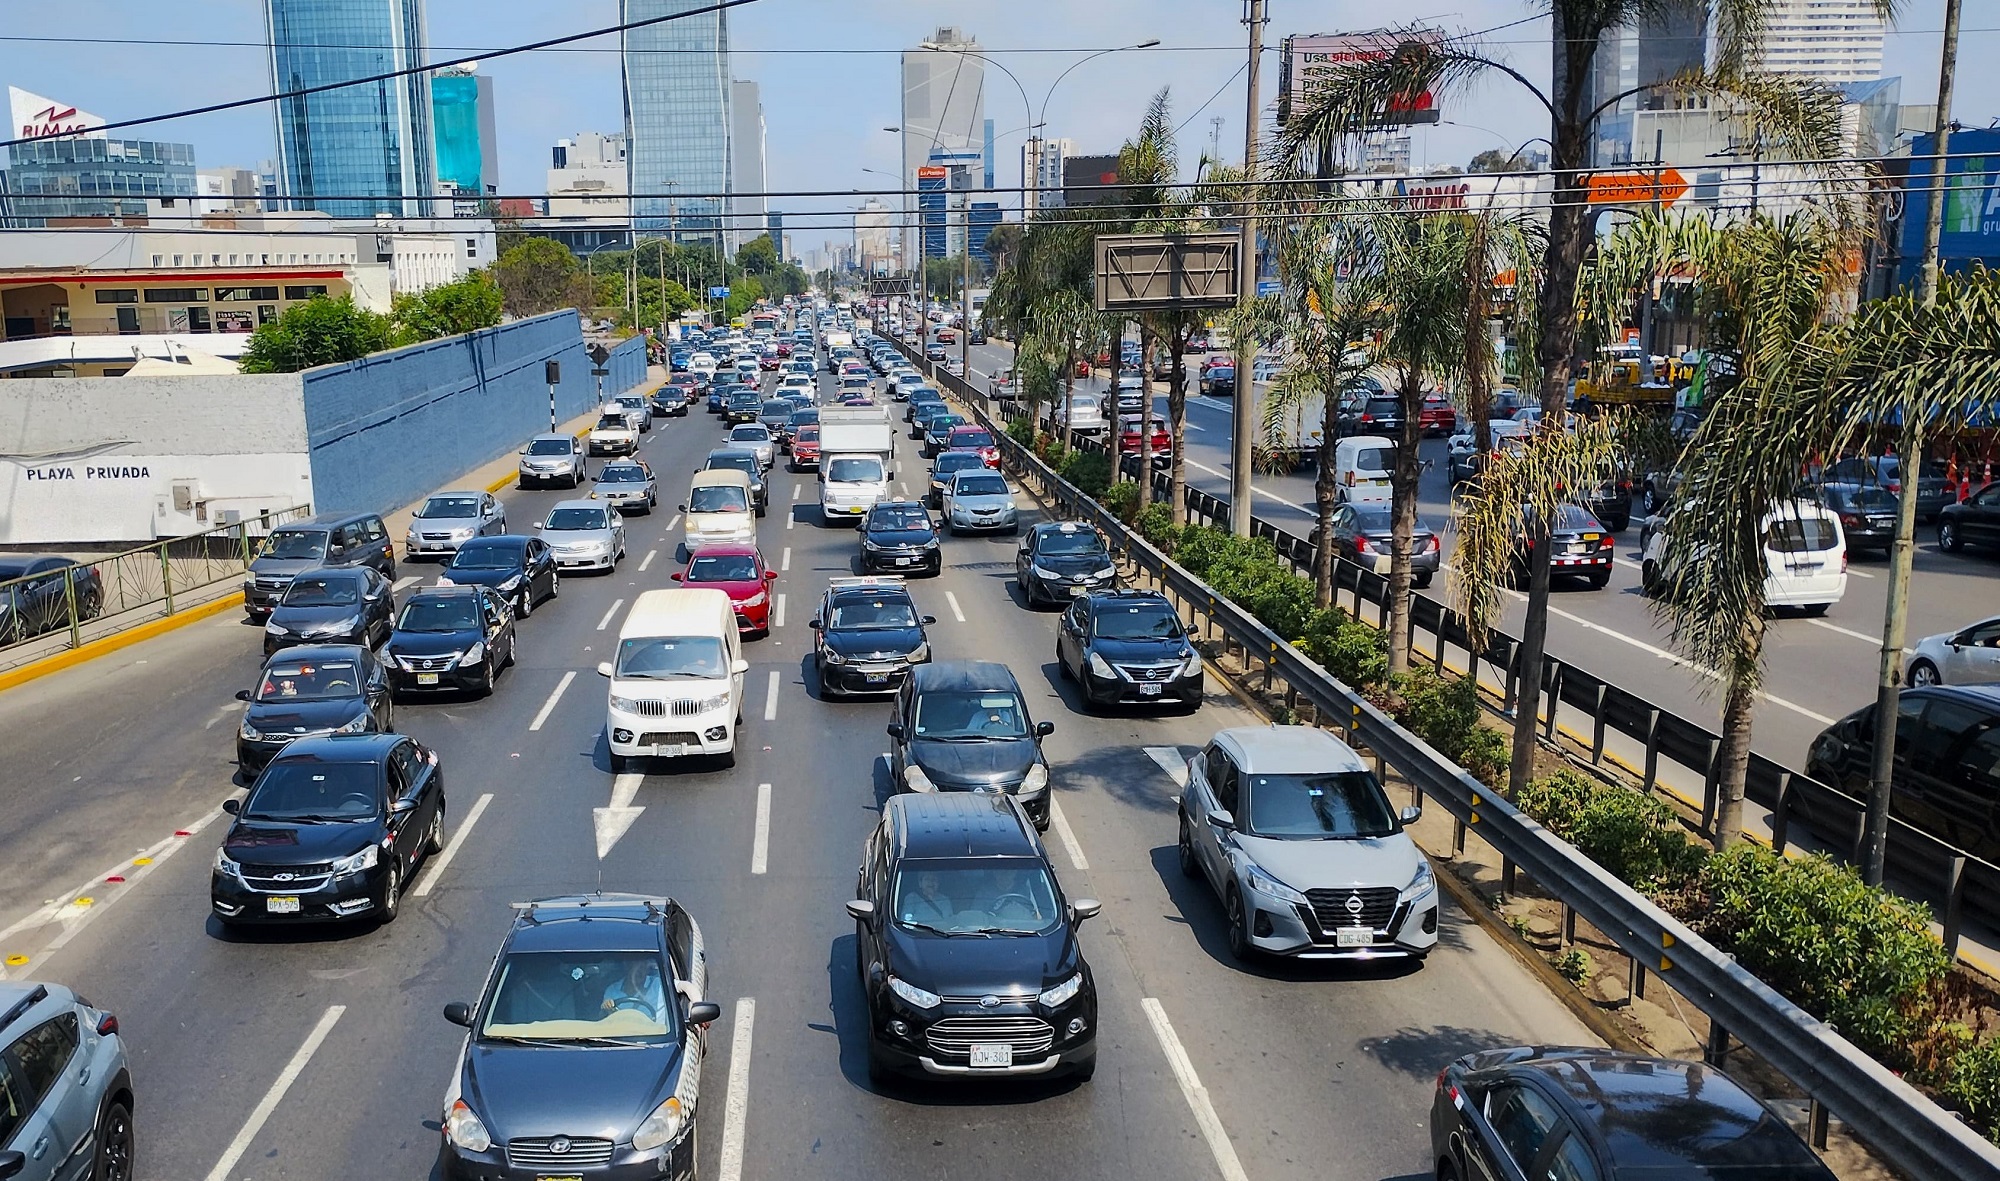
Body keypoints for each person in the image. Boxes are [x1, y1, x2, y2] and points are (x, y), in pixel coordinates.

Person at [601, 957, 668, 1021]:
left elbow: (675, 986)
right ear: (628, 967)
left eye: (644, 966)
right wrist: (607, 1007)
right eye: (637, 966)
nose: (641, 971)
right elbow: (605, 1019)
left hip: (652, 1028)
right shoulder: (612, 991)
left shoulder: (659, 985)